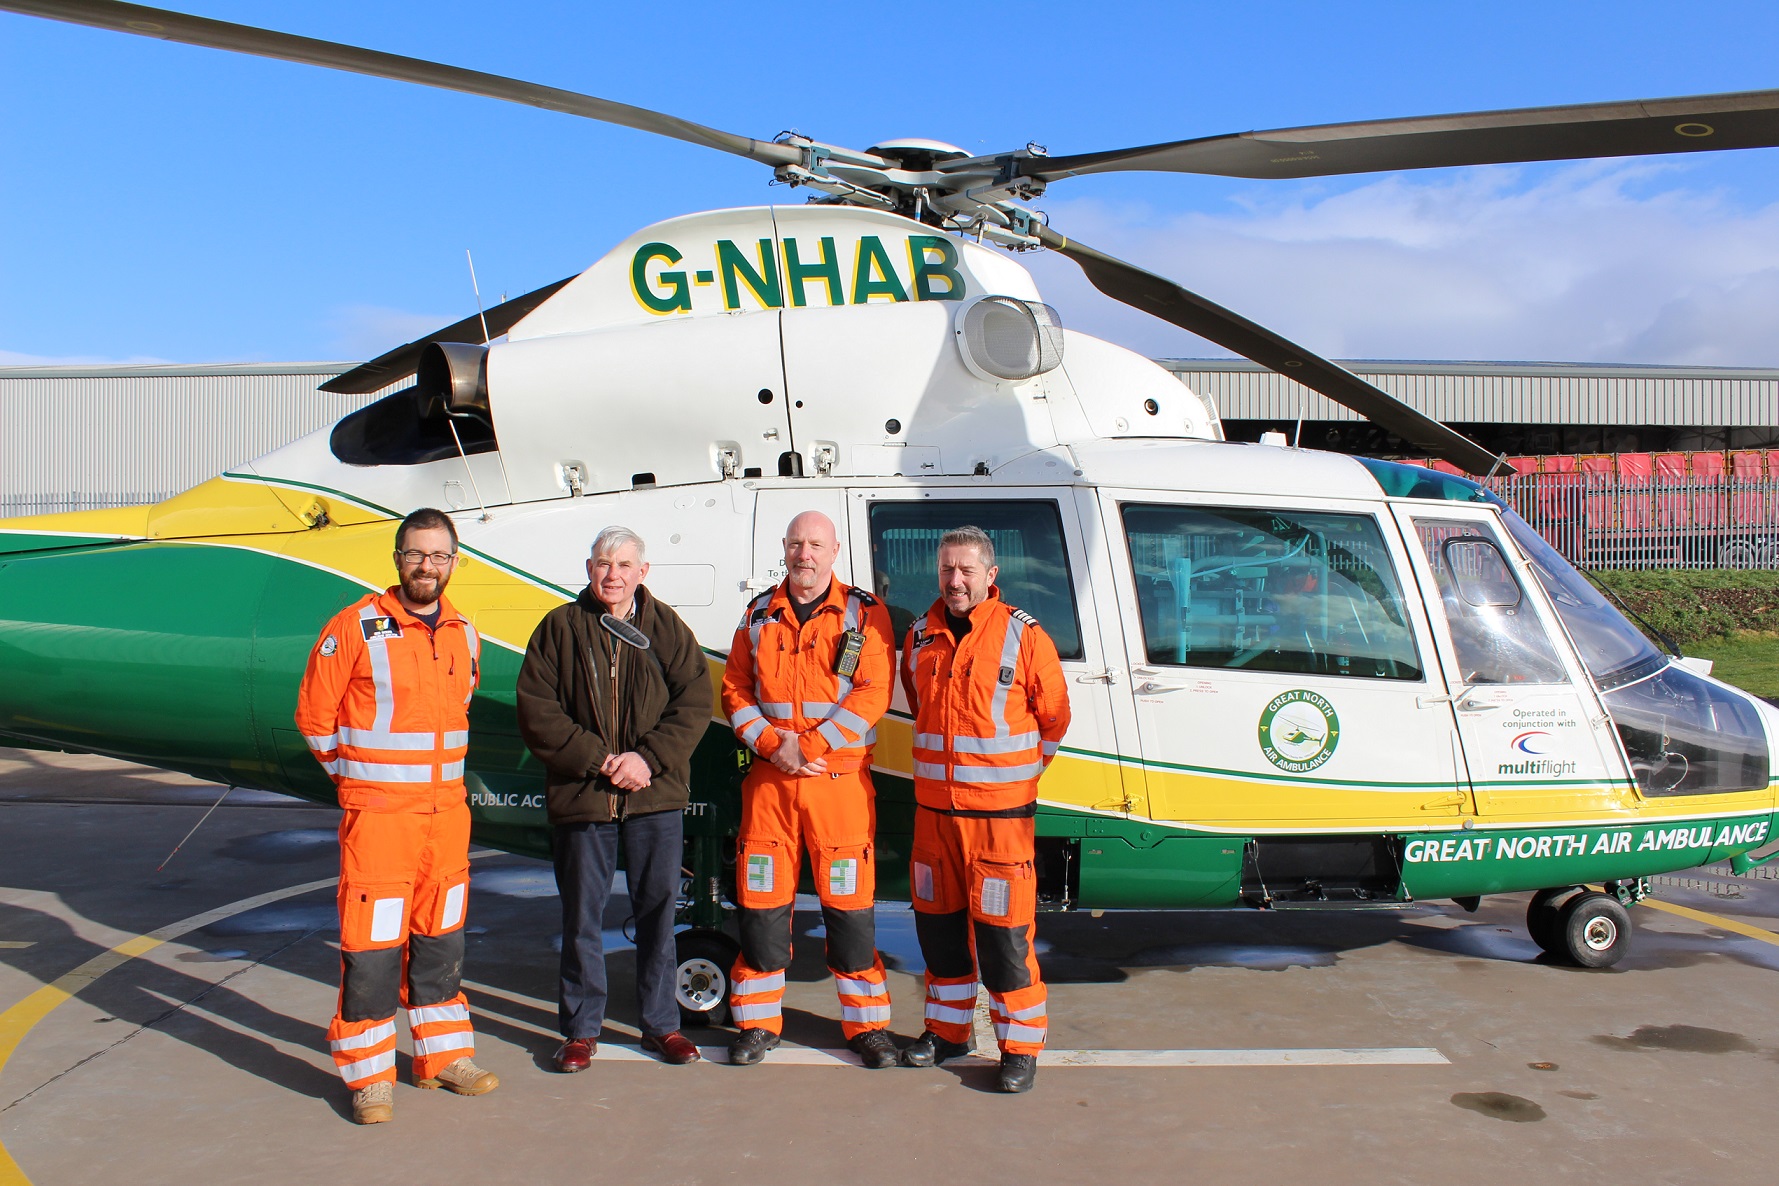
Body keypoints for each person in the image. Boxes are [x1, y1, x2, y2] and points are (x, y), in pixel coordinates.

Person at [295, 507, 497, 1125]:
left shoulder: (464, 633)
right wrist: (359, 783)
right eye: (415, 554)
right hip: (381, 820)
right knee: (373, 949)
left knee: (441, 941)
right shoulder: (355, 626)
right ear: (397, 559)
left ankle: (443, 1059)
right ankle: (370, 1078)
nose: (426, 566)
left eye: (438, 556)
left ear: (454, 562)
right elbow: (314, 716)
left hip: (446, 818)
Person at [515, 526, 714, 1072]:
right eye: (604, 563)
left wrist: (647, 759)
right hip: (584, 794)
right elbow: (537, 709)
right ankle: (581, 1031)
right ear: (589, 569)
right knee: (582, 917)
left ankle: (662, 1026)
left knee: (658, 914)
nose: (613, 574)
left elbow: (694, 702)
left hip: (654, 795)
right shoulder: (559, 628)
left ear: (642, 572)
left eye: (625, 565)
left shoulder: (668, 628)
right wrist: (601, 760)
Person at [720, 510, 898, 1068]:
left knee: (850, 913)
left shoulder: (863, 614)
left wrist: (811, 746)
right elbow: (734, 688)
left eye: (816, 544)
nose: (805, 554)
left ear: (834, 551)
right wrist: (776, 746)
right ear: (784, 547)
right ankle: (755, 1024)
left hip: (838, 784)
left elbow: (873, 691)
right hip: (770, 785)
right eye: (797, 543)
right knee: (761, 908)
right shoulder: (758, 614)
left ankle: (867, 1029)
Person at [897, 525, 1070, 1093]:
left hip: (999, 823)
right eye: (947, 569)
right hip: (934, 819)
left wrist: (1014, 779)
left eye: (966, 570)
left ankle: (1018, 1048)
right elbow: (920, 706)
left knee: (1004, 939)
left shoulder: (1024, 635)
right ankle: (948, 1033)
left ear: (990, 575)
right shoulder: (919, 636)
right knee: (939, 934)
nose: (955, 580)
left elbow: (1054, 717)